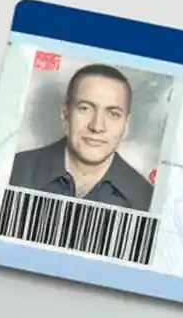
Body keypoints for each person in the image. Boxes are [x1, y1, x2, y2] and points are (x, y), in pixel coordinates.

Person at [9, 63, 153, 211]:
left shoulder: (146, 200)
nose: (97, 126)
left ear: (126, 125)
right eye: (85, 108)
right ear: (65, 114)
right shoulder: (14, 170)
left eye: (113, 114)